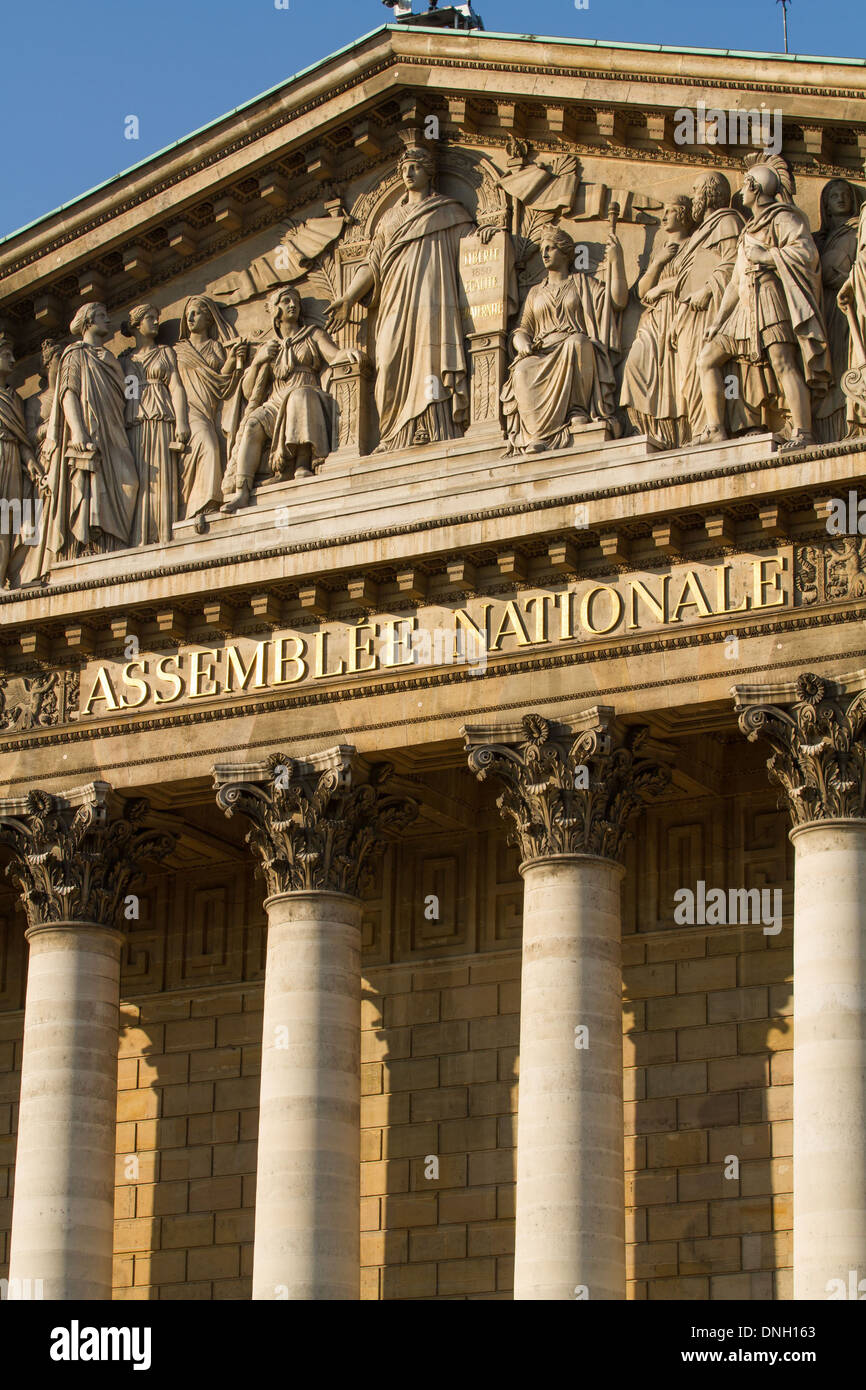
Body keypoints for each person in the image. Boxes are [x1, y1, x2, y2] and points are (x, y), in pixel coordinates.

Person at [327, 144, 489, 451]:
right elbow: (371, 264)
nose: (408, 173)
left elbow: (471, 250)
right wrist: (349, 297)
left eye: (414, 167)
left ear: (428, 172)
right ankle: (392, 435)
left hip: (435, 298)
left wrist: (483, 237)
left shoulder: (449, 210)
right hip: (393, 301)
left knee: (433, 357)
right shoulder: (389, 219)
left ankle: (436, 429)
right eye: (404, 169)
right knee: (388, 361)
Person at [697, 162, 831, 452]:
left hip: (770, 298)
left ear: (754, 188)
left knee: (783, 363)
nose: (741, 192)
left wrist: (768, 255)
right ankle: (716, 428)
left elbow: (805, 252)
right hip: (744, 304)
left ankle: (804, 432)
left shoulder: (782, 218)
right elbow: (734, 282)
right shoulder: (749, 229)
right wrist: (718, 322)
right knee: (706, 358)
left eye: (744, 186)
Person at [221, 287, 359, 513]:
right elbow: (248, 392)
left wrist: (349, 353)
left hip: (308, 395)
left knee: (299, 396)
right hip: (276, 401)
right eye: (286, 301)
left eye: (295, 301)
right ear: (276, 310)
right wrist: (258, 361)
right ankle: (242, 491)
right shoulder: (268, 347)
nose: (293, 305)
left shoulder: (313, 334)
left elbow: (334, 355)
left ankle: (302, 465)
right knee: (252, 423)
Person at [500, 222, 626, 454]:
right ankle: (537, 434)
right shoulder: (535, 292)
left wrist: (617, 261)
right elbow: (522, 328)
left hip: (571, 346)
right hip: (541, 351)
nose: (545, 254)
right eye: (543, 250)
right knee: (521, 370)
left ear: (566, 252)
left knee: (577, 343)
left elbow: (617, 301)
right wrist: (522, 343)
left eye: (550, 248)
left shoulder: (582, 284)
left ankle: (577, 411)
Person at [41, 302, 139, 559]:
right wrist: (77, 431)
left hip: (115, 428)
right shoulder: (75, 354)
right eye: (102, 316)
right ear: (88, 322)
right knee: (94, 482)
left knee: (130, 481)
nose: (109, 321)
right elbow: (68, 393)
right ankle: (91, 542)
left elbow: (128, 394)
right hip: (91, 429)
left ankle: (115, 541)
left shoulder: (112, 358)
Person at [669, 172, 746, 440]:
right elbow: (686, 279)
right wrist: (678, 316)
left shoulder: (728, 221)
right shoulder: (700, 231)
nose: (692, 197)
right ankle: (701, 428)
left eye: (695, 190)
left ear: (710, 192)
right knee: (690, 375)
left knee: (706, 364)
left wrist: (708, 288)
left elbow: (735, 265)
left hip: (713, 307)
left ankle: (716, 427)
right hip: (690, 313)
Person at [621, 196, 695, 449]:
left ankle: (683, 432)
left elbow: (700, 278)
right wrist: (658, 261)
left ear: (684, 215)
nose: (664, 217)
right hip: (655, 317)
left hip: (682, 312)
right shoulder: (660, 251)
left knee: (679, 374)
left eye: (671, 211)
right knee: (635, 364)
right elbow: (642, 291)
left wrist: (663, 286)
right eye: (664, 211)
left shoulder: (694, 245)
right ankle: (647, 429)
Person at [174, 295, 245, 528]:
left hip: (210, 407)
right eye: (188, 315)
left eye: (196, 313)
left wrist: (234, 359)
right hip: (187, 409)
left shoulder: (215, 347)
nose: (191, 318)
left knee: (213, 443)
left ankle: (201, 505)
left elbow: (222, 381)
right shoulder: (178, 350)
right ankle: (201, 508)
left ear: (209, 316)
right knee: (209, 446)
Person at [121, 304, 190, 545]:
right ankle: (138, 538)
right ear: (137, 325)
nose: (156, 322)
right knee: (140, 481)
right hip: (136, 424)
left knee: (162, 480)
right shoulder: (125, 361)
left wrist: (182, 422)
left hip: (162, 420)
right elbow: (122, 396)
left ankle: (163, 535)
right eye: (150, 318)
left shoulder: (165, 352)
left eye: (157, 317)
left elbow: (176, 386)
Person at [814, 179, 865, 442]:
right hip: (826, 312)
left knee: (849, 358)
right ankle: (831, 429)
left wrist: (846, 277)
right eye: (834, 195)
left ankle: (853, 419)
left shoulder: (859, 231)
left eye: (846, 194)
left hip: (850, 307)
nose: (841, 198)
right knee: (830, 366)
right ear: (826, 205)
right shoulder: (818, 241)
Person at [0, 335, 45, 586]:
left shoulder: (15, 399)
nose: (13, 360)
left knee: (9, 520)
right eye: (6, 355)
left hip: (11, 459)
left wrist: (29, 461)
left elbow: (20, 438)